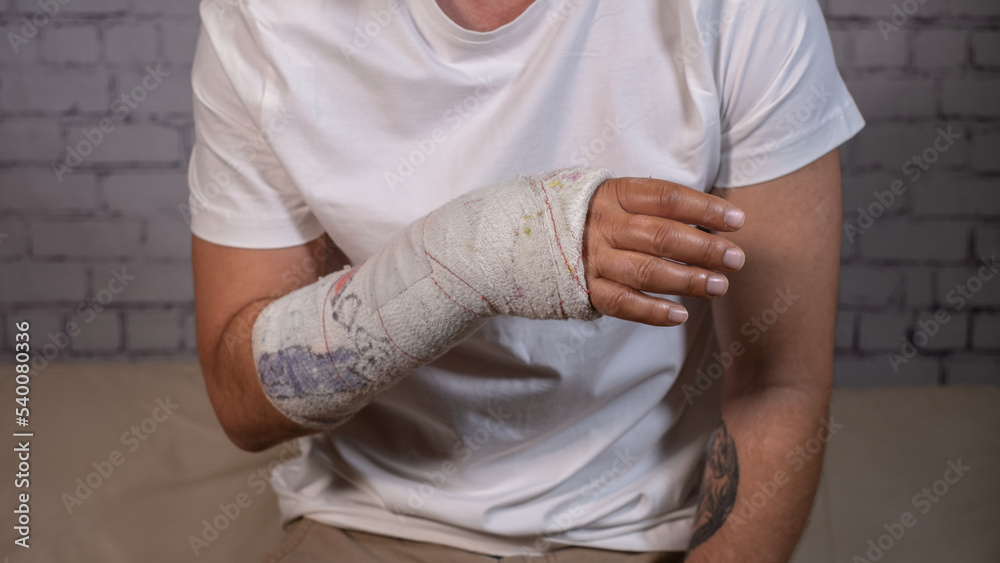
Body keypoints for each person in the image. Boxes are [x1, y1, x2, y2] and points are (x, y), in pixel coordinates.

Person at [187, 0, 864, 561]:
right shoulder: (268, 18)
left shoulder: (737, 11)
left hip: (640, 530)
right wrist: (482, 255)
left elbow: (781, 385)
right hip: (374, 516)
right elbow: (240, 398)